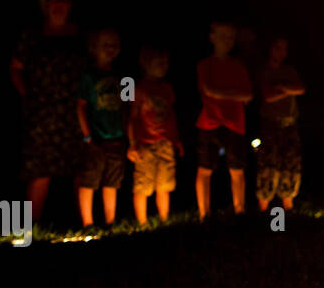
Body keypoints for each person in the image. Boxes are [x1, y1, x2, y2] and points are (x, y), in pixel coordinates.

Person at [10, 0, 84, 225]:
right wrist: (28, 95)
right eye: (53, 0)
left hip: (73, 112)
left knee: (79, 167)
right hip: (41, 113)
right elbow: (15, 68)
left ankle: (83, 222)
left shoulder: (78, 35)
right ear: (44, 5)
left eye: (63, 0)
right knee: (39, 171)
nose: (58, 5)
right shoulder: (32, 36)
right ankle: (31, 228)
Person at [195, 20, 254, 218]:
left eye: (230, 37)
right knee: (205, 168)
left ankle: (240, 210)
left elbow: (248, 95)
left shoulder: (238, 66)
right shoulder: (205, 65)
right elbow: (208, 90)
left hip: (235, 124)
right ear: (212, 38)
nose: (227, 41)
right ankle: (204, 214)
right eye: (223, 36)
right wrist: (233, 94)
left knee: (237, 168)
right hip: (209, 122)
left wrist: (220, 93)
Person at [75, 28, 128, 226]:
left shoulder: (123, 77)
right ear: (94, 48)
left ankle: (110, 221)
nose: (111, 49)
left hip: (117, 138)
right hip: (96, 139)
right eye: (105, 44)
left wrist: (126, 134)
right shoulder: (88, 76)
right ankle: (88, 224)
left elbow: (127, 106)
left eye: (114, 44)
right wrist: (87, 136)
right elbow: (80, 106)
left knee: (112, 181)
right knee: (89, 180)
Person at [128, 45, 182, 224]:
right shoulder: (138, 88)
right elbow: (132, 117)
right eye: (159, 62)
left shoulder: (167, 88)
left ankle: (164, 220)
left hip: (165, 144)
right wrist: (133, 142)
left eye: (166, 62)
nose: (164, 66)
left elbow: (171, 115)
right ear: (146, 64)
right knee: (142, 186)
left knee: (164, 185)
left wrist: (176, 139)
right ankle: (142, 223)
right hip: (146, 144)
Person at [255, 36, 306, 212]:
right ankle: (263, 209)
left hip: (290, 124)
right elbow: (268, 96)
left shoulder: (289, 71)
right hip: (270, 124)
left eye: (284, 49)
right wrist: (287, 89)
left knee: (290, 165)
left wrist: (281, 88)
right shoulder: (264, 71)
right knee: (269, 166)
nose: (281, 52)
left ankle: (287, 209)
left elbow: (300, 88)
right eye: (277, 47)